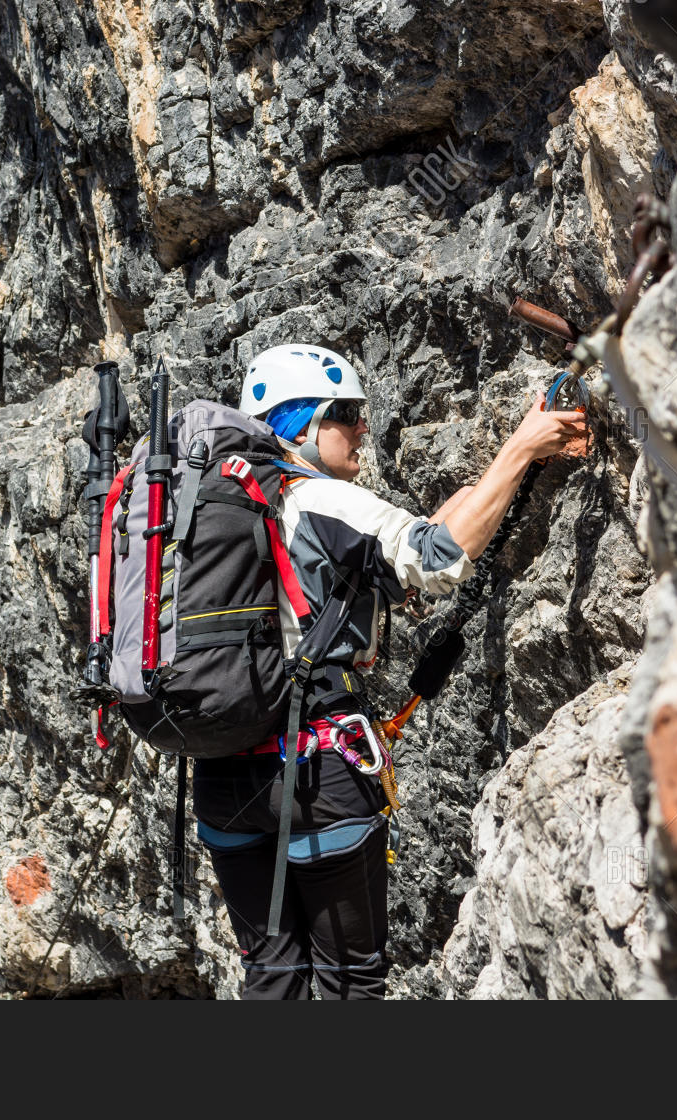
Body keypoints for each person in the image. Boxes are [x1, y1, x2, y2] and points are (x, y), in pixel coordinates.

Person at [191, 343, 587, 999]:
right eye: (347, 412)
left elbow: (394, 553)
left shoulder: (210, 508)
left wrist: (486, 488)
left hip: (223, 778)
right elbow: (437, 560)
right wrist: (522, 446)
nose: (363, 427)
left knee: (272, 977)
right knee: (351, 984)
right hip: (319, 778)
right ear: (301, 424)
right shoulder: (322, 500)